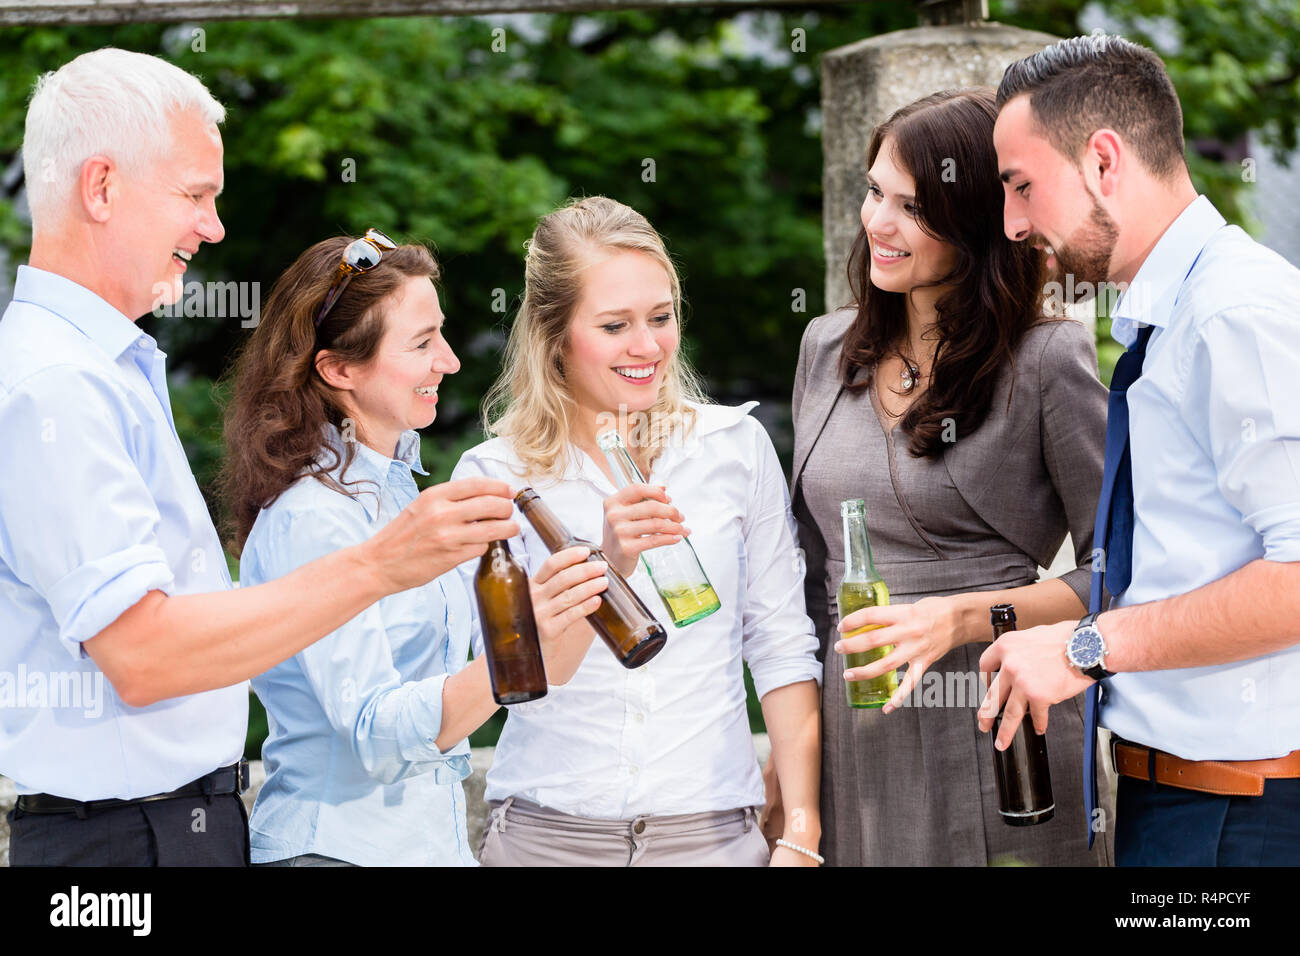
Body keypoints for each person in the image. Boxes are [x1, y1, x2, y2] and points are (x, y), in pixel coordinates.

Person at [0, 50, 513, 867]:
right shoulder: (58, 385)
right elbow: (144, 656)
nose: (214, 227)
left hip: (170, 828)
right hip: (127, 841)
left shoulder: (103, 368)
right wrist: (382, 565)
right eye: (195, 195)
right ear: (101, 188)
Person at [979, 34, 1300, 866]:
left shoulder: (1234, 314)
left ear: (1103, 159)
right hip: (1195, 800)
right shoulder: (1184, 312)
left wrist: (1087, 646)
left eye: (1022, 186)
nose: (1014, 224)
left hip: (1240, 810)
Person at [789, 88, 1111, 865]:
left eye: (915, 206)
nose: (880, 224)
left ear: (973, 221)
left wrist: (961, 619)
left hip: (997, 721)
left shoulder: (1045, 358)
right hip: (856, 725)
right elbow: (801, 578)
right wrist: (792, 762)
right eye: (874, 193)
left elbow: (1123, 575)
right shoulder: (826, 349)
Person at [451, 196, 823, 866]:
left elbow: (781, 646)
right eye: (615, 325)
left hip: (712, 838)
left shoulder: (733, 447)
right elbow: (520, 682)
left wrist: (800, 830)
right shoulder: (494, 476)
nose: (647, 346)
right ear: (554, 333)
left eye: (661, 316)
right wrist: (609, 565)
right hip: (548, 839)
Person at [220, 234, 605, 866]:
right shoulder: (312, 518)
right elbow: (375, 734)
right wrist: (519, 636)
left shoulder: (404, 501)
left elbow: (531, 677)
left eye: (442, 336)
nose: (449, 362)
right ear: (338, 368)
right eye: (422, 343)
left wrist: (593, 578)